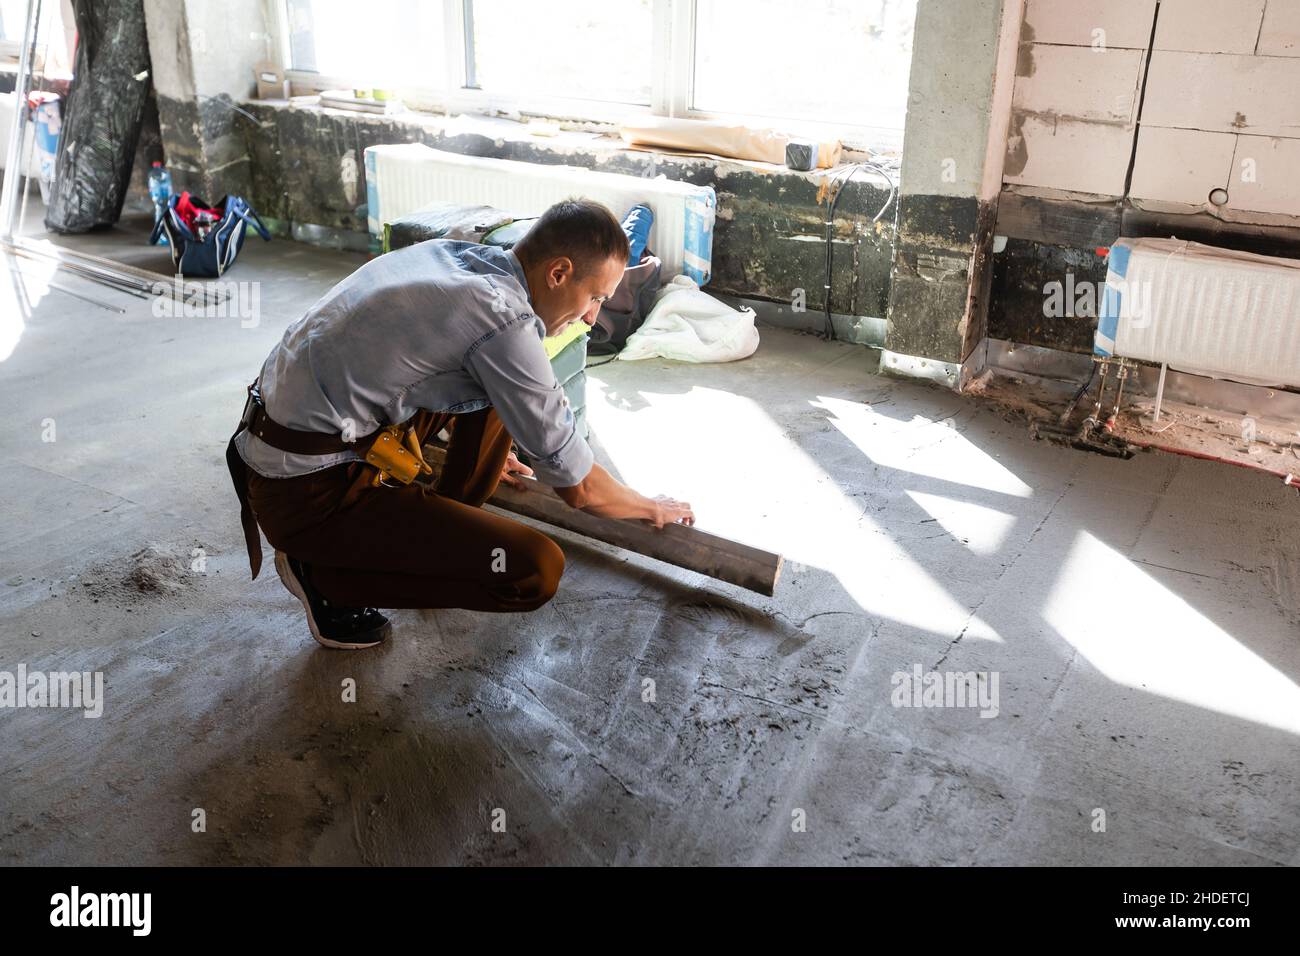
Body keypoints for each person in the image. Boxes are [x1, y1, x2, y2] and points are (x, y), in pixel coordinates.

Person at [226, 199, 694, 649]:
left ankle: (432, 520)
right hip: (303, 489)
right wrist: (650, 508)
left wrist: (512, 436)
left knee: (504, 393)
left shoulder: (457, 255)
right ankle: (325, 576)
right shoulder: (503, 321)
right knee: (535, 570)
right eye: (594, 297)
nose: (592, 317)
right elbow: (579, 488)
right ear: (558, 273)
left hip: (280, 429)